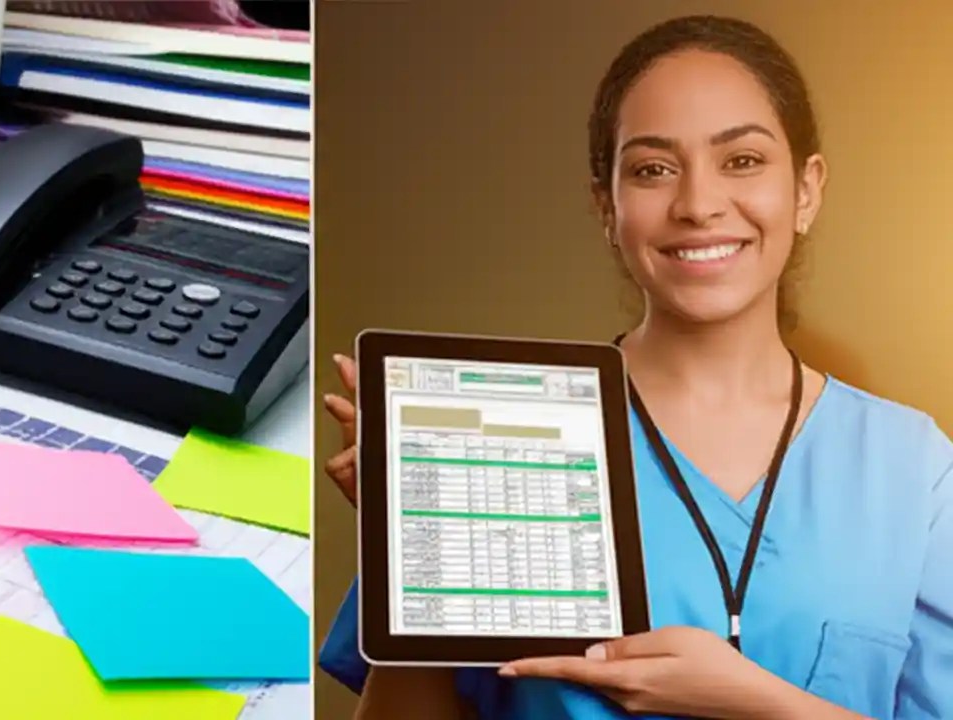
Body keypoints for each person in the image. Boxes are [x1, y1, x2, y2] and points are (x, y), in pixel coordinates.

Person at [317, 14, 952, 720]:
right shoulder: (494, 435)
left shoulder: (916, 467)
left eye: (742, 160)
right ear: (606, 206)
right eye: (653, 170)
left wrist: (752, 701)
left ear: (806, 190)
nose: (699, 205)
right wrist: (414, 559)